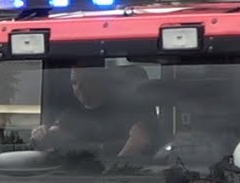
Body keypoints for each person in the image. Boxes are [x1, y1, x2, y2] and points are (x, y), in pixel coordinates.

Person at [30, 64, 160, 159]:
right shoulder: (68, 116)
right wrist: (41, 138)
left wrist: (114, 170)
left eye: (85, 82)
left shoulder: (131, 114)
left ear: (101, 81)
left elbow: (139, 142)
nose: (79, 88)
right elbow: (53, 138)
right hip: (76, 182)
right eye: (74, 83)